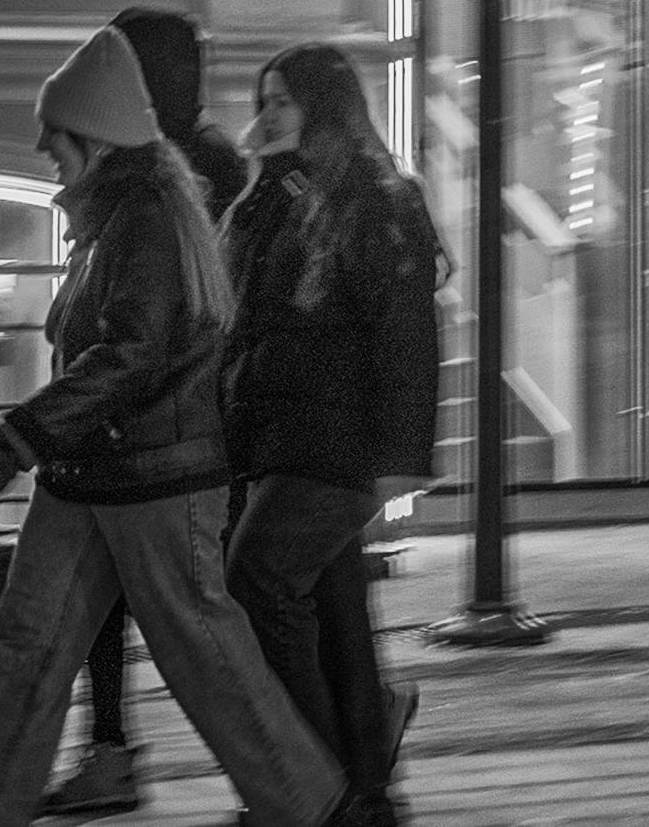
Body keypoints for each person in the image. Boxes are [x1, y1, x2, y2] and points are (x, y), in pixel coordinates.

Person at [0, 27, 353, 827]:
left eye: (57, 130)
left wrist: (15, 439)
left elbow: (131, 354)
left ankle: (308, 810)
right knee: (30, 647)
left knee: (207, 658)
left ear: (95, 136)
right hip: (89, 475)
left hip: (156, 481)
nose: (43, 143)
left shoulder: (146, 216)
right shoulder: (110, 215)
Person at [222, 43, 443, 827]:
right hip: (286, 435)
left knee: (257, 582)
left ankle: (311, 782)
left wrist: (400, 459)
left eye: (283, 100)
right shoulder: (291, 194)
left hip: (337, 442)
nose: (267, 114)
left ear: (324, 104)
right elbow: (242, 302)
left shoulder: (378, 196)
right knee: (338, 615)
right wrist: (261, 183)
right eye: (264, 100)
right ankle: (365, 785)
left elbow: (407, 331)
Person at [38, 9, 252, 817]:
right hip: (150, 434)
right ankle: (300, 755)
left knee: (205, 622)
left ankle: (300, 766)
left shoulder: (168, 175)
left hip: (166, 437)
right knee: (169, 616)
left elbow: (150, 329)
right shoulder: (181, 166)